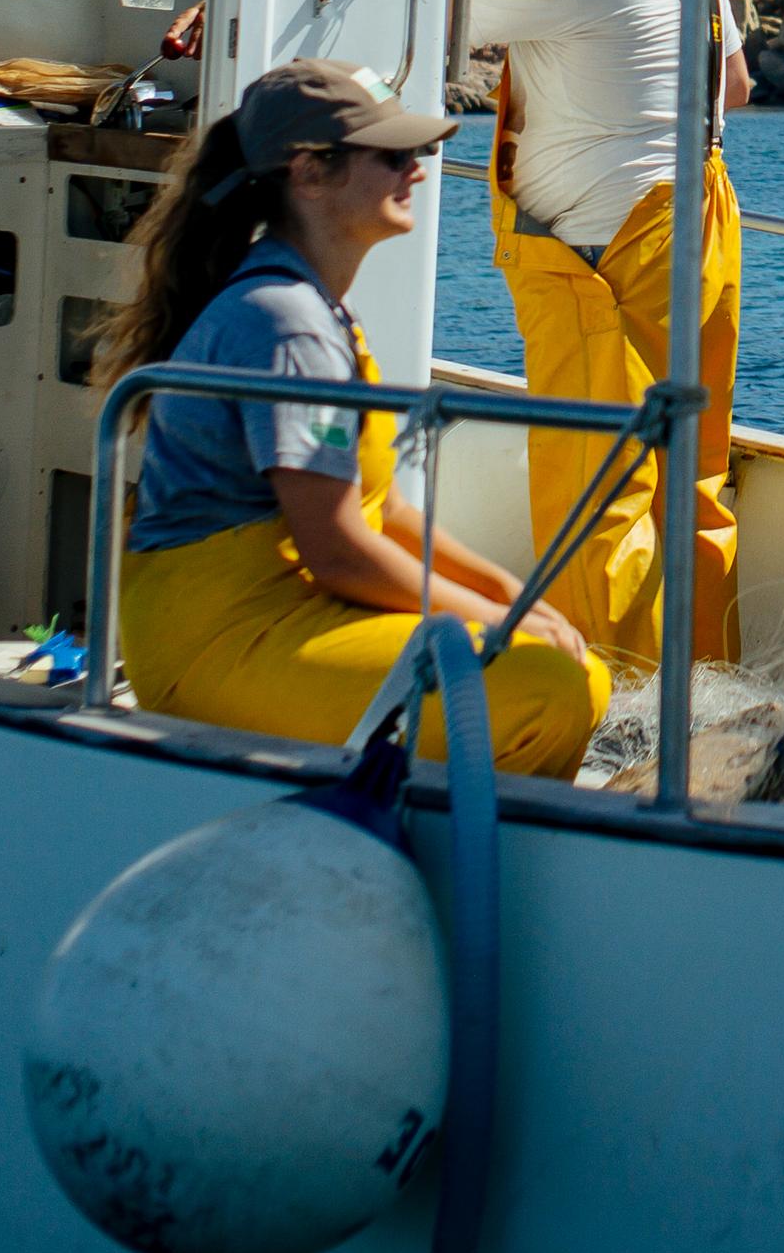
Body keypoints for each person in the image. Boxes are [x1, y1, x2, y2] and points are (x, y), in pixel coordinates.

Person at [100, 58, 605, 772]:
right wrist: (492, 621)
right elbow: (336, 550)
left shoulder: (314, 311)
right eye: (395, 155)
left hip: (275, 617)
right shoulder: (287, 323)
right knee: (547, 687)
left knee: (573, 669)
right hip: (220, 646)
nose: (419, 172)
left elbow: (383, 510)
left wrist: (513, 596)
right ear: (308, 171)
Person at [478, 0, 750, 668]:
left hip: (599, 254)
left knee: (598, 487)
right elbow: (734, 89)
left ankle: (622, 710)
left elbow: (401, 22)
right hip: (697, 224)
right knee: (692, 477)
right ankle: (707, 689)